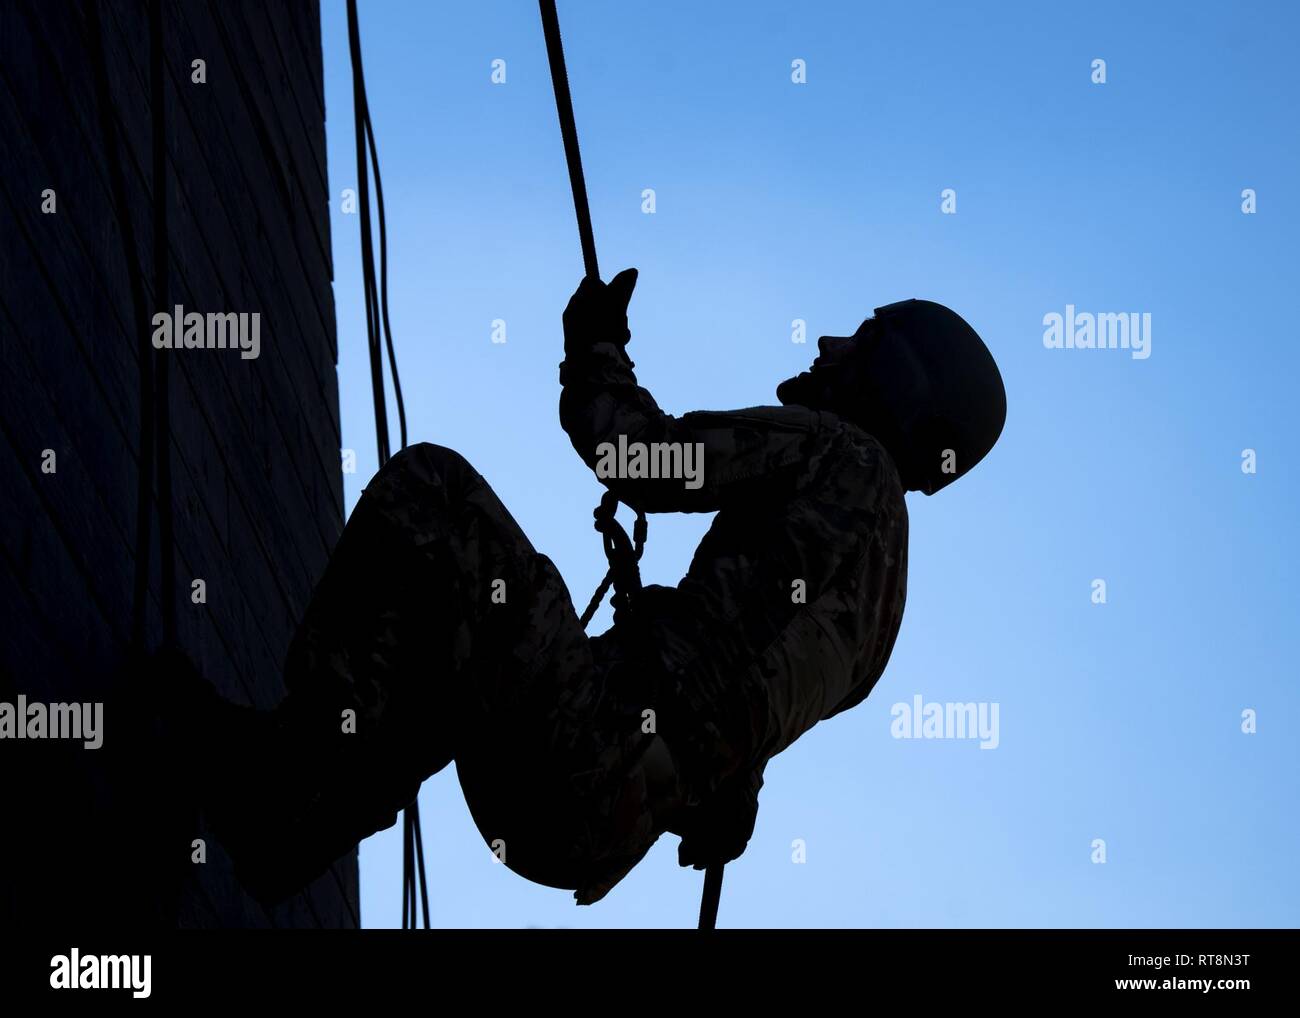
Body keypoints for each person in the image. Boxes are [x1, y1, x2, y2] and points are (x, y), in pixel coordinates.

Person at [152, 269, 1007, 908]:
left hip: (580, 734)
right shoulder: (881, 616)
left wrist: (595, 345)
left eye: (863, 339)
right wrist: (725, 800)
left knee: (435, 492)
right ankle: (294, 824)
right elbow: (744, 702)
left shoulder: (837, 452)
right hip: (587, 833)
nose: (831, 346)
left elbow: (635, 456)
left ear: (903, 384)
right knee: (459, 636)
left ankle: (284, 781)